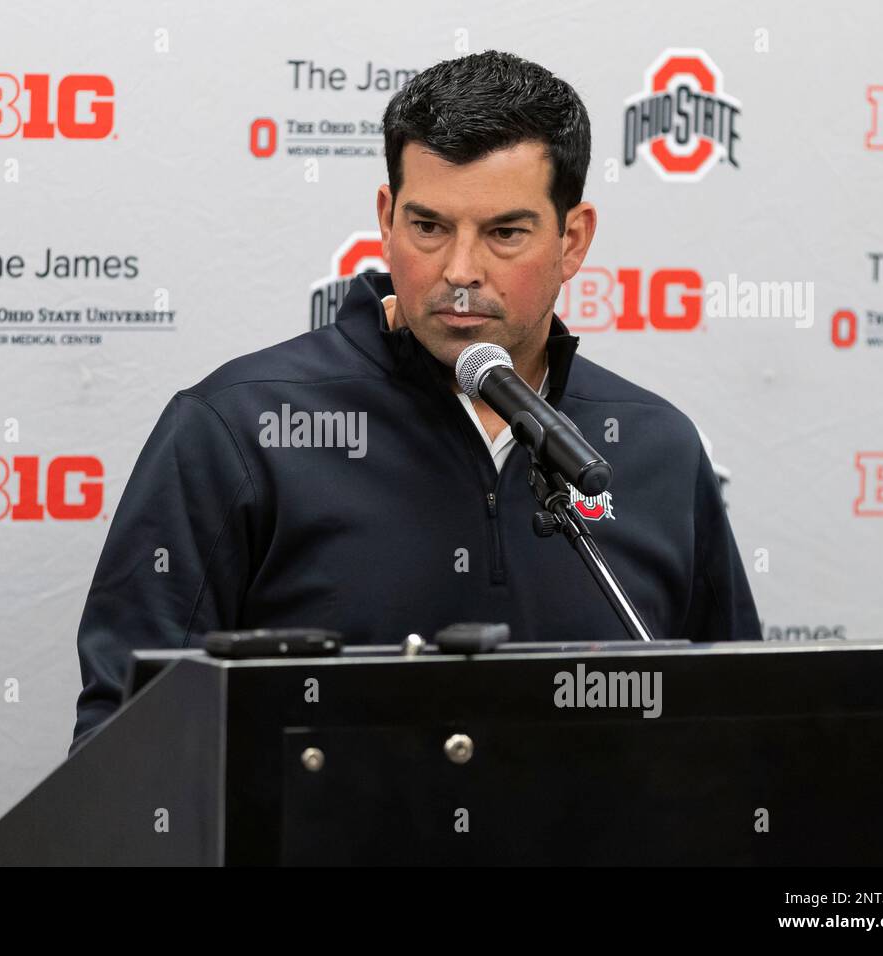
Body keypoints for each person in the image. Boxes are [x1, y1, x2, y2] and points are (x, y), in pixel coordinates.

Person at [70, 50, 760, 753]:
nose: (460, 272)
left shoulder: (656, 446)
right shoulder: (241, 430)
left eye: (504, 233)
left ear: (573, 240)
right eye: (429, 227)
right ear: (386, 217)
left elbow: (745, 732)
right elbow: (125, 751)